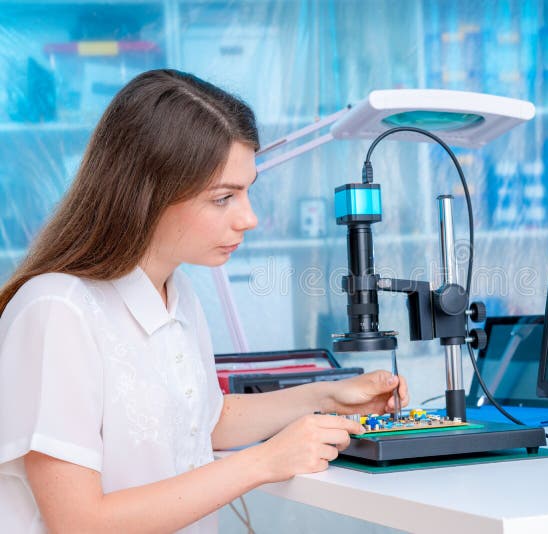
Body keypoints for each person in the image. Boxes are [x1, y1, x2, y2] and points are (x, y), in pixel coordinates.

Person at [0, 69, 409, 533]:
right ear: (146, 194)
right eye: (223, 198)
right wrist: (263, 462)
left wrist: (328, 397)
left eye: (247, 191)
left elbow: (201, 423)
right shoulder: (58, 311)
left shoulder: (178, 296)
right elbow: (79, 522)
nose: (249, 218)